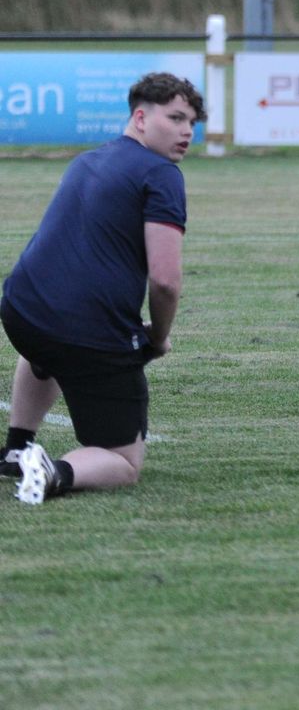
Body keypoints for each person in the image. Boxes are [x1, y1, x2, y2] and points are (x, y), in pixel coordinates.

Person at [0, 72, 203, 503]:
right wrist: (158, 337)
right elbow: (165, 281)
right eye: (176, 118)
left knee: (43, 351)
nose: (187, 131)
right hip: (85, 334)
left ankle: (16, 447)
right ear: (141, 118)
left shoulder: (89, 159)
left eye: (192, 122)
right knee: (124, 461)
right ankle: (51, 472)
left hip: (21, 310)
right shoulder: (162, 175)